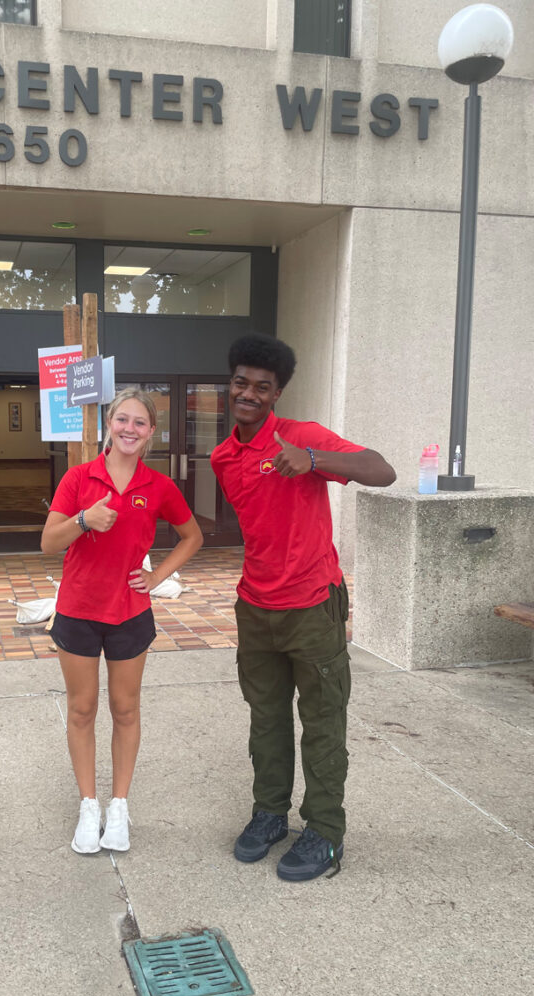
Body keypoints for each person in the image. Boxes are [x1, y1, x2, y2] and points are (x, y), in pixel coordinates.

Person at [211, 334, 396, 881]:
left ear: (277, 393)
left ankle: (324, 833)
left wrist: (313, 459)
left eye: (261, 387)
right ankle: (269, 814)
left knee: (321, 722)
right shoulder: (224, 457)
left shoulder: (302, 437)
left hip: (314, 605)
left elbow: (381, 469)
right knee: (265, 719)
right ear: (232, 384)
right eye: (241, 382)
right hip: (255, 607)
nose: (249, 393)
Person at [42, 388, 203, 855]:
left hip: (130, 612)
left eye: (139, 423)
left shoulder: (159, 486)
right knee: (81, 709)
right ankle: (88, 804)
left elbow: (191, 536)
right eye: (122, 420)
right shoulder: (78, 478)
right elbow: (49, 542)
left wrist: (156, 577)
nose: (129, 429)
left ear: (151, 432)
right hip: (78, 609)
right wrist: (84, 520)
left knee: (125, 709)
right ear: (108, 425)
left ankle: (119, 807)